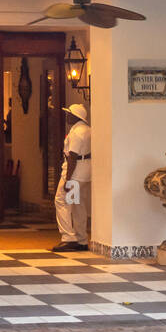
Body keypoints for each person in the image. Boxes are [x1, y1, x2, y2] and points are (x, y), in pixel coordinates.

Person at [53, 103, 92, 252]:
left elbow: (73, 156)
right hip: (86, 173)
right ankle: (81, 240)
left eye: (69, 113)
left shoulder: (76, 132)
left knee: (61, 200)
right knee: (78, 204)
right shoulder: (88, 130)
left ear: (76, 116)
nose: (67, 116)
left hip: (75, 174)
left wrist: (68, 179)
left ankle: (68, 238)